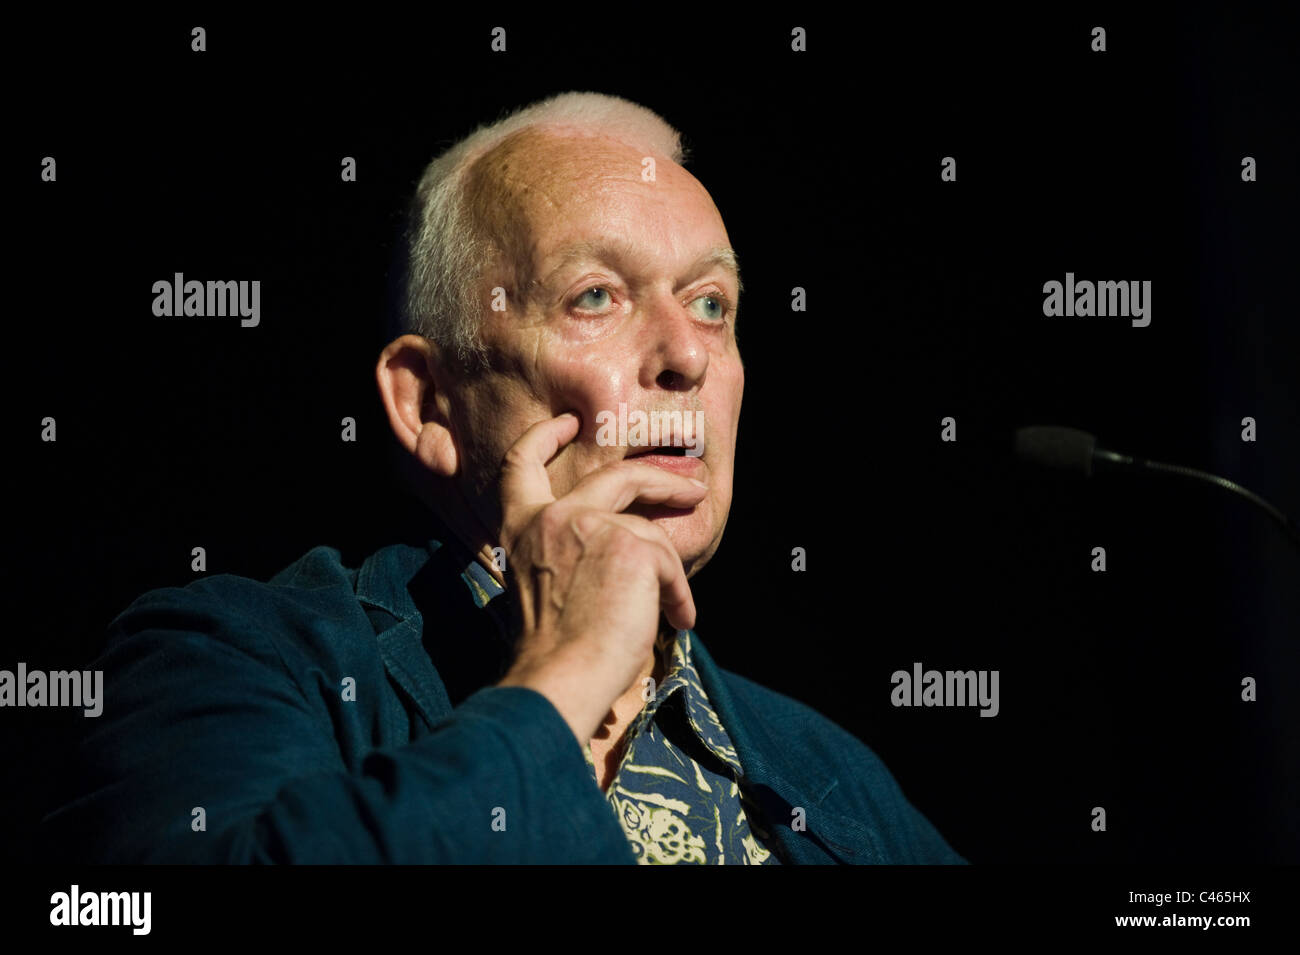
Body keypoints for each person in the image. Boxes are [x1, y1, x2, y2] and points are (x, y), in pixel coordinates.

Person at [41, 91, 965, 864]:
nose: (686, 353)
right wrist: (566, 675)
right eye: (595, 295)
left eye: (711, 303)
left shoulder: (834, 774)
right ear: (429, 403)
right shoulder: (241, 656)